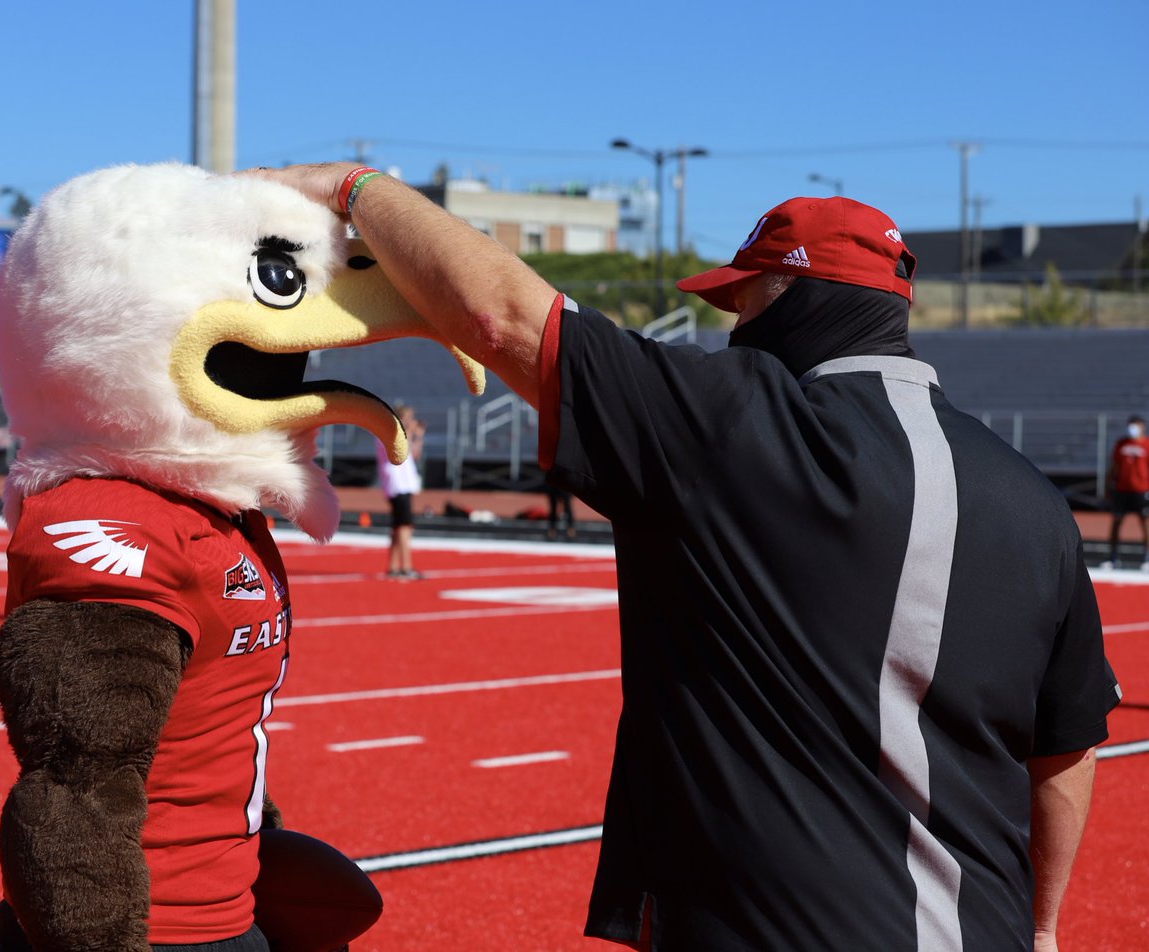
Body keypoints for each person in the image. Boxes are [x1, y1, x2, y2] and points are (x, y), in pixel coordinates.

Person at [249, 164, 1120, 952]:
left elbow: (501, 314)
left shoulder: (735, 421)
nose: (732, 322)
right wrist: (1043, 927)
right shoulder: (1038, 502)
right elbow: (1067, 750)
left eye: (742, 300)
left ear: (788, 291)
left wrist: (354, 185)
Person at [375, 403, 425, 579]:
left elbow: (414, 455)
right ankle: (406, 566)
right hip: (397, 485)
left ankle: (393, 566)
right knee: (404, 526)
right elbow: (398, 453)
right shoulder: (387, 434)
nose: (411, 422)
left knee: (398, 527)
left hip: (404, 484)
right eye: (408, 419)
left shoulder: (403, 436)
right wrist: (409, 433)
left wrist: (417, 437)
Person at [1099, 414, 1149, 570]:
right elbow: (1114, 466)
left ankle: (1147, 558)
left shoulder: (1147, 445)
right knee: (1116, 522)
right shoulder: (1121, 444)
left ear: (1143, 427)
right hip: (1122, 490)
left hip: (1141, 490)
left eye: (1136, 425)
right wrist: (1108, 486)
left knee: (1145, 523)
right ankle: (1113, 557)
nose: (1132, 428)